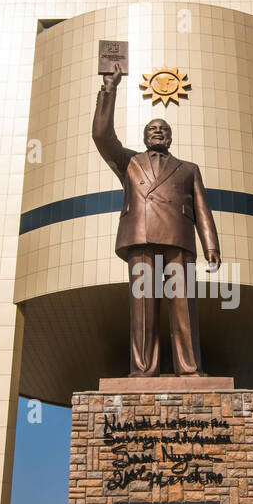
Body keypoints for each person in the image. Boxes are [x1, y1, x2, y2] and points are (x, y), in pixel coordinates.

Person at [92, 63, 222, 376]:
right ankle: (142, 369)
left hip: (178, 237)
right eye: (152, 129)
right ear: (145, 136)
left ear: (170, 138)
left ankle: (190, 369)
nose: (158, 132)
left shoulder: (188, 168)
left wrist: (211, 246)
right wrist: (110, 88)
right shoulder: (129, 162)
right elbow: (101, 135)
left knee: (184, 305)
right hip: (140, 235)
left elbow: (203, 209)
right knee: (143, 305)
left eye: (163, 129)